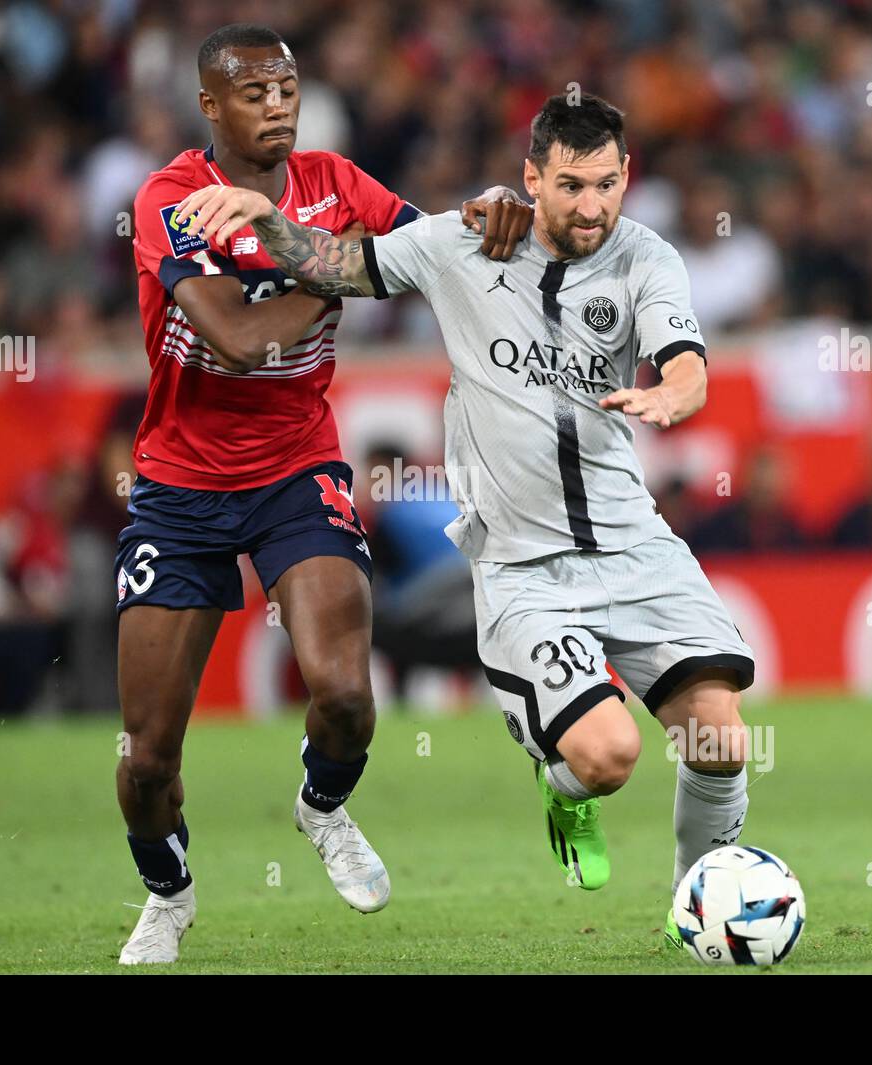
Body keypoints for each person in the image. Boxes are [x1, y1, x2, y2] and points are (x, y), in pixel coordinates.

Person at [173, 91, 756, 952]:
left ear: (627, 176)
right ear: (532, 178)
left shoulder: (647, 259)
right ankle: (562, 785)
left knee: (719, 737)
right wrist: (267, 219)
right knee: (608, 758)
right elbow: (340, 264)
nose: (591, 206)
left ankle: (695, 914)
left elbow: (687, 365)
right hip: (523, 567)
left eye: (606, 184)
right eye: (569, 186)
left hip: (635, 544)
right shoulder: (458, 244)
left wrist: (672, 391)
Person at [114, 23, 531, 964]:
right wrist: (343, 272)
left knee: (345, 693)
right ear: (211, 107)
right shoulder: (173, 200)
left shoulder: (339, 183)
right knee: (146, 758)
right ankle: (168, 891)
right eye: (253, 92)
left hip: (297, 467)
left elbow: (443, 247)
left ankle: (323, 807)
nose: (276, 105)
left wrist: (496, 207)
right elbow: (235, 337)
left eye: (287, 88)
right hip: (179, 488)